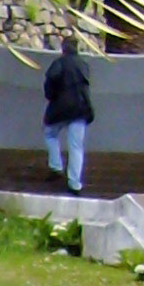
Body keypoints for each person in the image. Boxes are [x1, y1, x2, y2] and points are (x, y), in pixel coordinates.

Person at [43, 35, 93, 194]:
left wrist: (52, 97)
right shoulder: (83, 65)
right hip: (80, 109)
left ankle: (56, 166)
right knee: (76, 146)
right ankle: (74, 183)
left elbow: (50, 83)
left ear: (64, 48)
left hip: (60, 109)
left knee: (50, 133)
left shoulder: (58, 64)